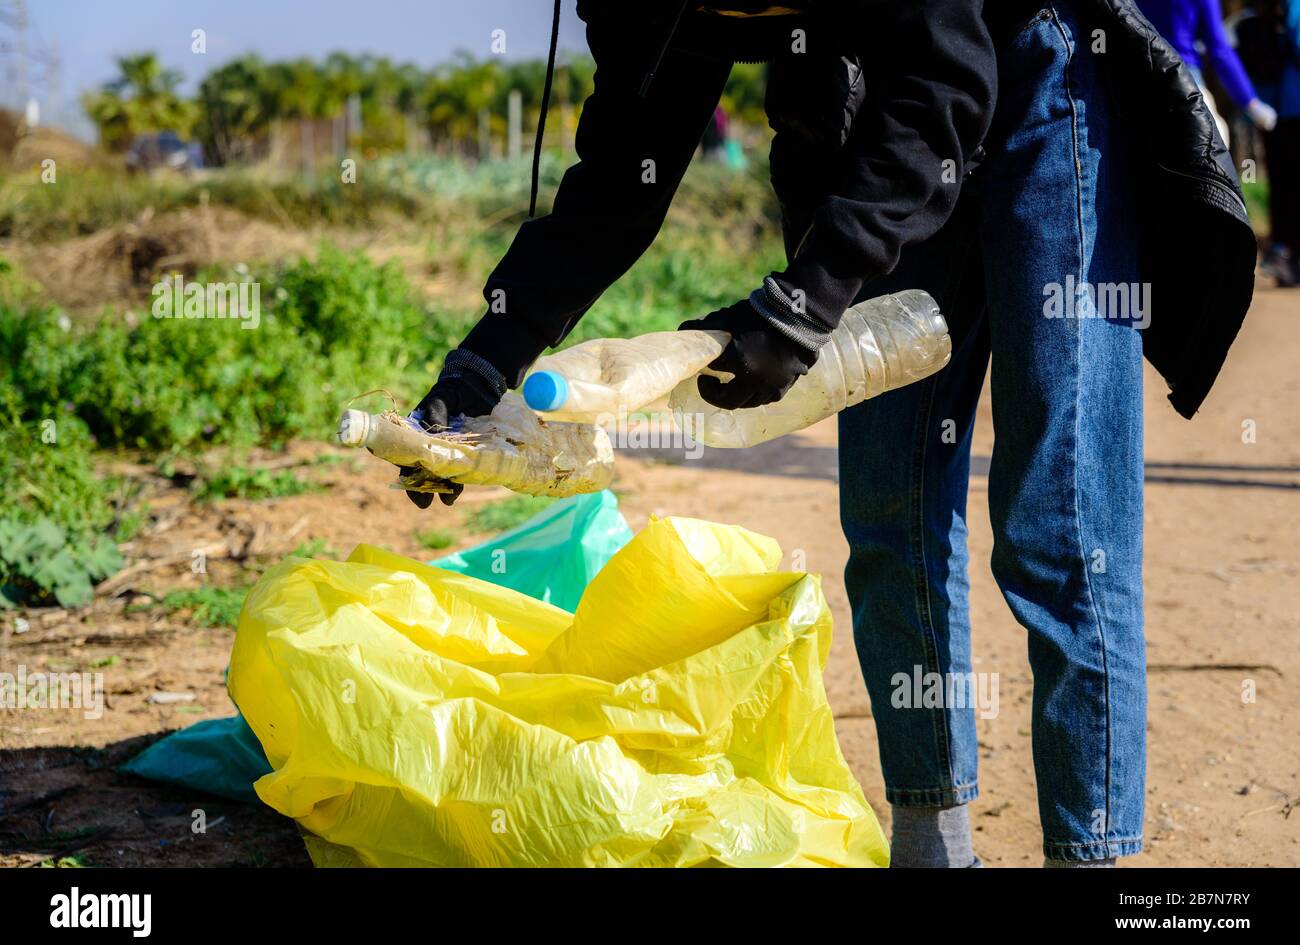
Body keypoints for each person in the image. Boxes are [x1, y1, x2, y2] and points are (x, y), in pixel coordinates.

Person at [405, 1, 1256, 867]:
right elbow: (625, 174)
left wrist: (805, 299)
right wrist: (486, 361)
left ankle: (1091, 856)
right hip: (870, 121)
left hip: (1036, 88)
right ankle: (932, 841)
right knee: (890, 509)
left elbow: (945, 85)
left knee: (1059, 522)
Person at [1137, 0, 1280, 142]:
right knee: (1216, 143)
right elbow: (1219, 49)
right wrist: (1250, 102)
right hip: (1182, 79)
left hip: (1135, 77)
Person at [1239, 0, 1300, 285]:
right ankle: (1287, 254)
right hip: (1294, 105)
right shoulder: (1295, 8)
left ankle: (1281, 251)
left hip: (1269, 112)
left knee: (1281, 182)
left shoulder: (1256, 10)